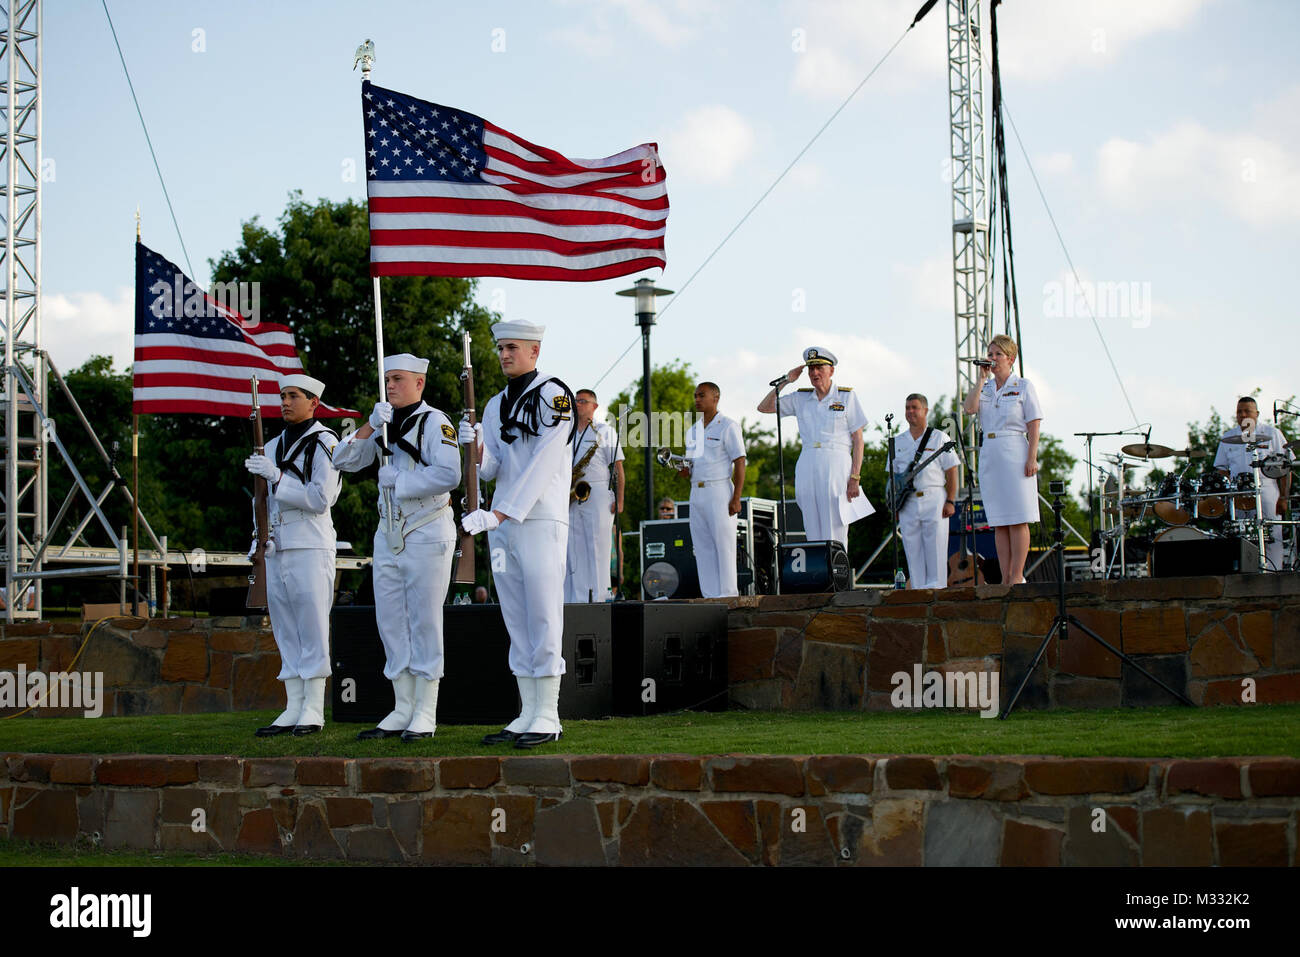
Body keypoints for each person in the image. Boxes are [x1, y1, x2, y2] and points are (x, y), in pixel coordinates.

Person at [332, 354, 461, 741]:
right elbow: (341, 459)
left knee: (424, 621)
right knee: (390, 622)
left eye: (399, 379)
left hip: (426, 527)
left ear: (419, 383)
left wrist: (402, 481)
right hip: (388, 531)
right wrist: (370, 425)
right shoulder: (384, 424)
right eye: (387, 379)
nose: (390, 385)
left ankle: (425, 709)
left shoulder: (436, 421)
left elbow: (450, 474)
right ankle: (402, 705)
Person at [460, 320, 574, 748]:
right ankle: (527, 710)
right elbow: (492, 469)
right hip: (501, 522)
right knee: (516, 617)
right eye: (501, 348)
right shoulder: (493, 405)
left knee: (543, 613)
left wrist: (501, 513)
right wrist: (475, 449)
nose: (505, 354)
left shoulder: (553, 395)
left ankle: (548, 712)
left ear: (534, 352)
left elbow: (544, 461)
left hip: (537, 518)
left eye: (513, 347)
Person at [244, 374, 341, 737]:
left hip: (310, 543)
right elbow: (261, 501)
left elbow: (320, 499)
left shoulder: (325, 443)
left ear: (313, 402)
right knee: (285, 628)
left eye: (293, 396)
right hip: (275, 544)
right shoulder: (270, 446)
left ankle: (313, 707)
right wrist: (257, 537)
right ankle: (293, 705)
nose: (285, 402)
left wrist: (278, 478)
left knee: (312, 625)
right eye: (283, 396)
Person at [758, 346, 867, 549]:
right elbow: (764, 407)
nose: (814, 373)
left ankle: (837, 576)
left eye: (819, 368)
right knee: (811, 523)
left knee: (835, 523)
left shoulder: (846, 397)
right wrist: (785, 381)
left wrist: (855, 477)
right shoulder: (801, 398)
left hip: (836, 462)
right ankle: (818, 576)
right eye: (811, 369)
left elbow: (858, 440)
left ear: (831, 370)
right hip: (808, 461)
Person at [962, 334, 1042, 585]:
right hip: (991, 450)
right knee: (999, 520)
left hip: (1015, 449)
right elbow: (969, 409)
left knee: (1018, 516)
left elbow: (1034, 424)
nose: (993, 358)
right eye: (990, 353)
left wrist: (1032, 458)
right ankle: (1006, 575)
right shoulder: (985, 388)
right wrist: (981, 378)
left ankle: (1017, 574)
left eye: (998, 354)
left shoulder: (1023, 386)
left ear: (1010, 358)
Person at [681, 382, 746, 598]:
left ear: (715, 398)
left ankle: (728, 596)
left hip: (719, 489)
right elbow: (689, 465)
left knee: (724, 545)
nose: (697, 399)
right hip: (696, 491)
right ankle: (710, 596)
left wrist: (737, 497)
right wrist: (682, 468)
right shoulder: (692, 431)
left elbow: (740, 461)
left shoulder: (728, 426)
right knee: (702, 547)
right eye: (695, 396)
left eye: (702, 395)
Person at [889, 393, 960, 589]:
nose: (910, 412)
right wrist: (894, 503)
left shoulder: (939, 437)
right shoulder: (897, 441)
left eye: (915, 407)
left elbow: (952, 470)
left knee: (936, 546)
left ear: (925, 411)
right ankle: (918, 591)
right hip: (907, 501)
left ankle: (937, 590)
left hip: (933, 496)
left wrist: (951, 500)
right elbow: (892, 477)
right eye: (907, 408)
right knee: (912, 548)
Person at [1214, 396, 1292, 572]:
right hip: (1240, 495)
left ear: (1256, 414)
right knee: (1243, 536)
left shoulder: (1272, 434)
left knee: (1272, 535)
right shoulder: (1228, 437)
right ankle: (1249, 575)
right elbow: (1221, 469)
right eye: (1239, 412)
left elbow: (1286, 468)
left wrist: (1284, 497)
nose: (1243, 415)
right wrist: (1228, 493)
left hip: (1268, 492)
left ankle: (1273, 575)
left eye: (1247, 411)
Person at [564, 389, 625, 603]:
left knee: (598, 547)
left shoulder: (604, 431)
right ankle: (577, 599)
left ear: (595, 406)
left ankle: (600, 597)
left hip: (599, 492)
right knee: (574, 549)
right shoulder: (567, 432)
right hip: (573, 492)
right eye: (576, 401)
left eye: (583, 401)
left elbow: (618, 468)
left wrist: (620, 500)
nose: (577, 404)